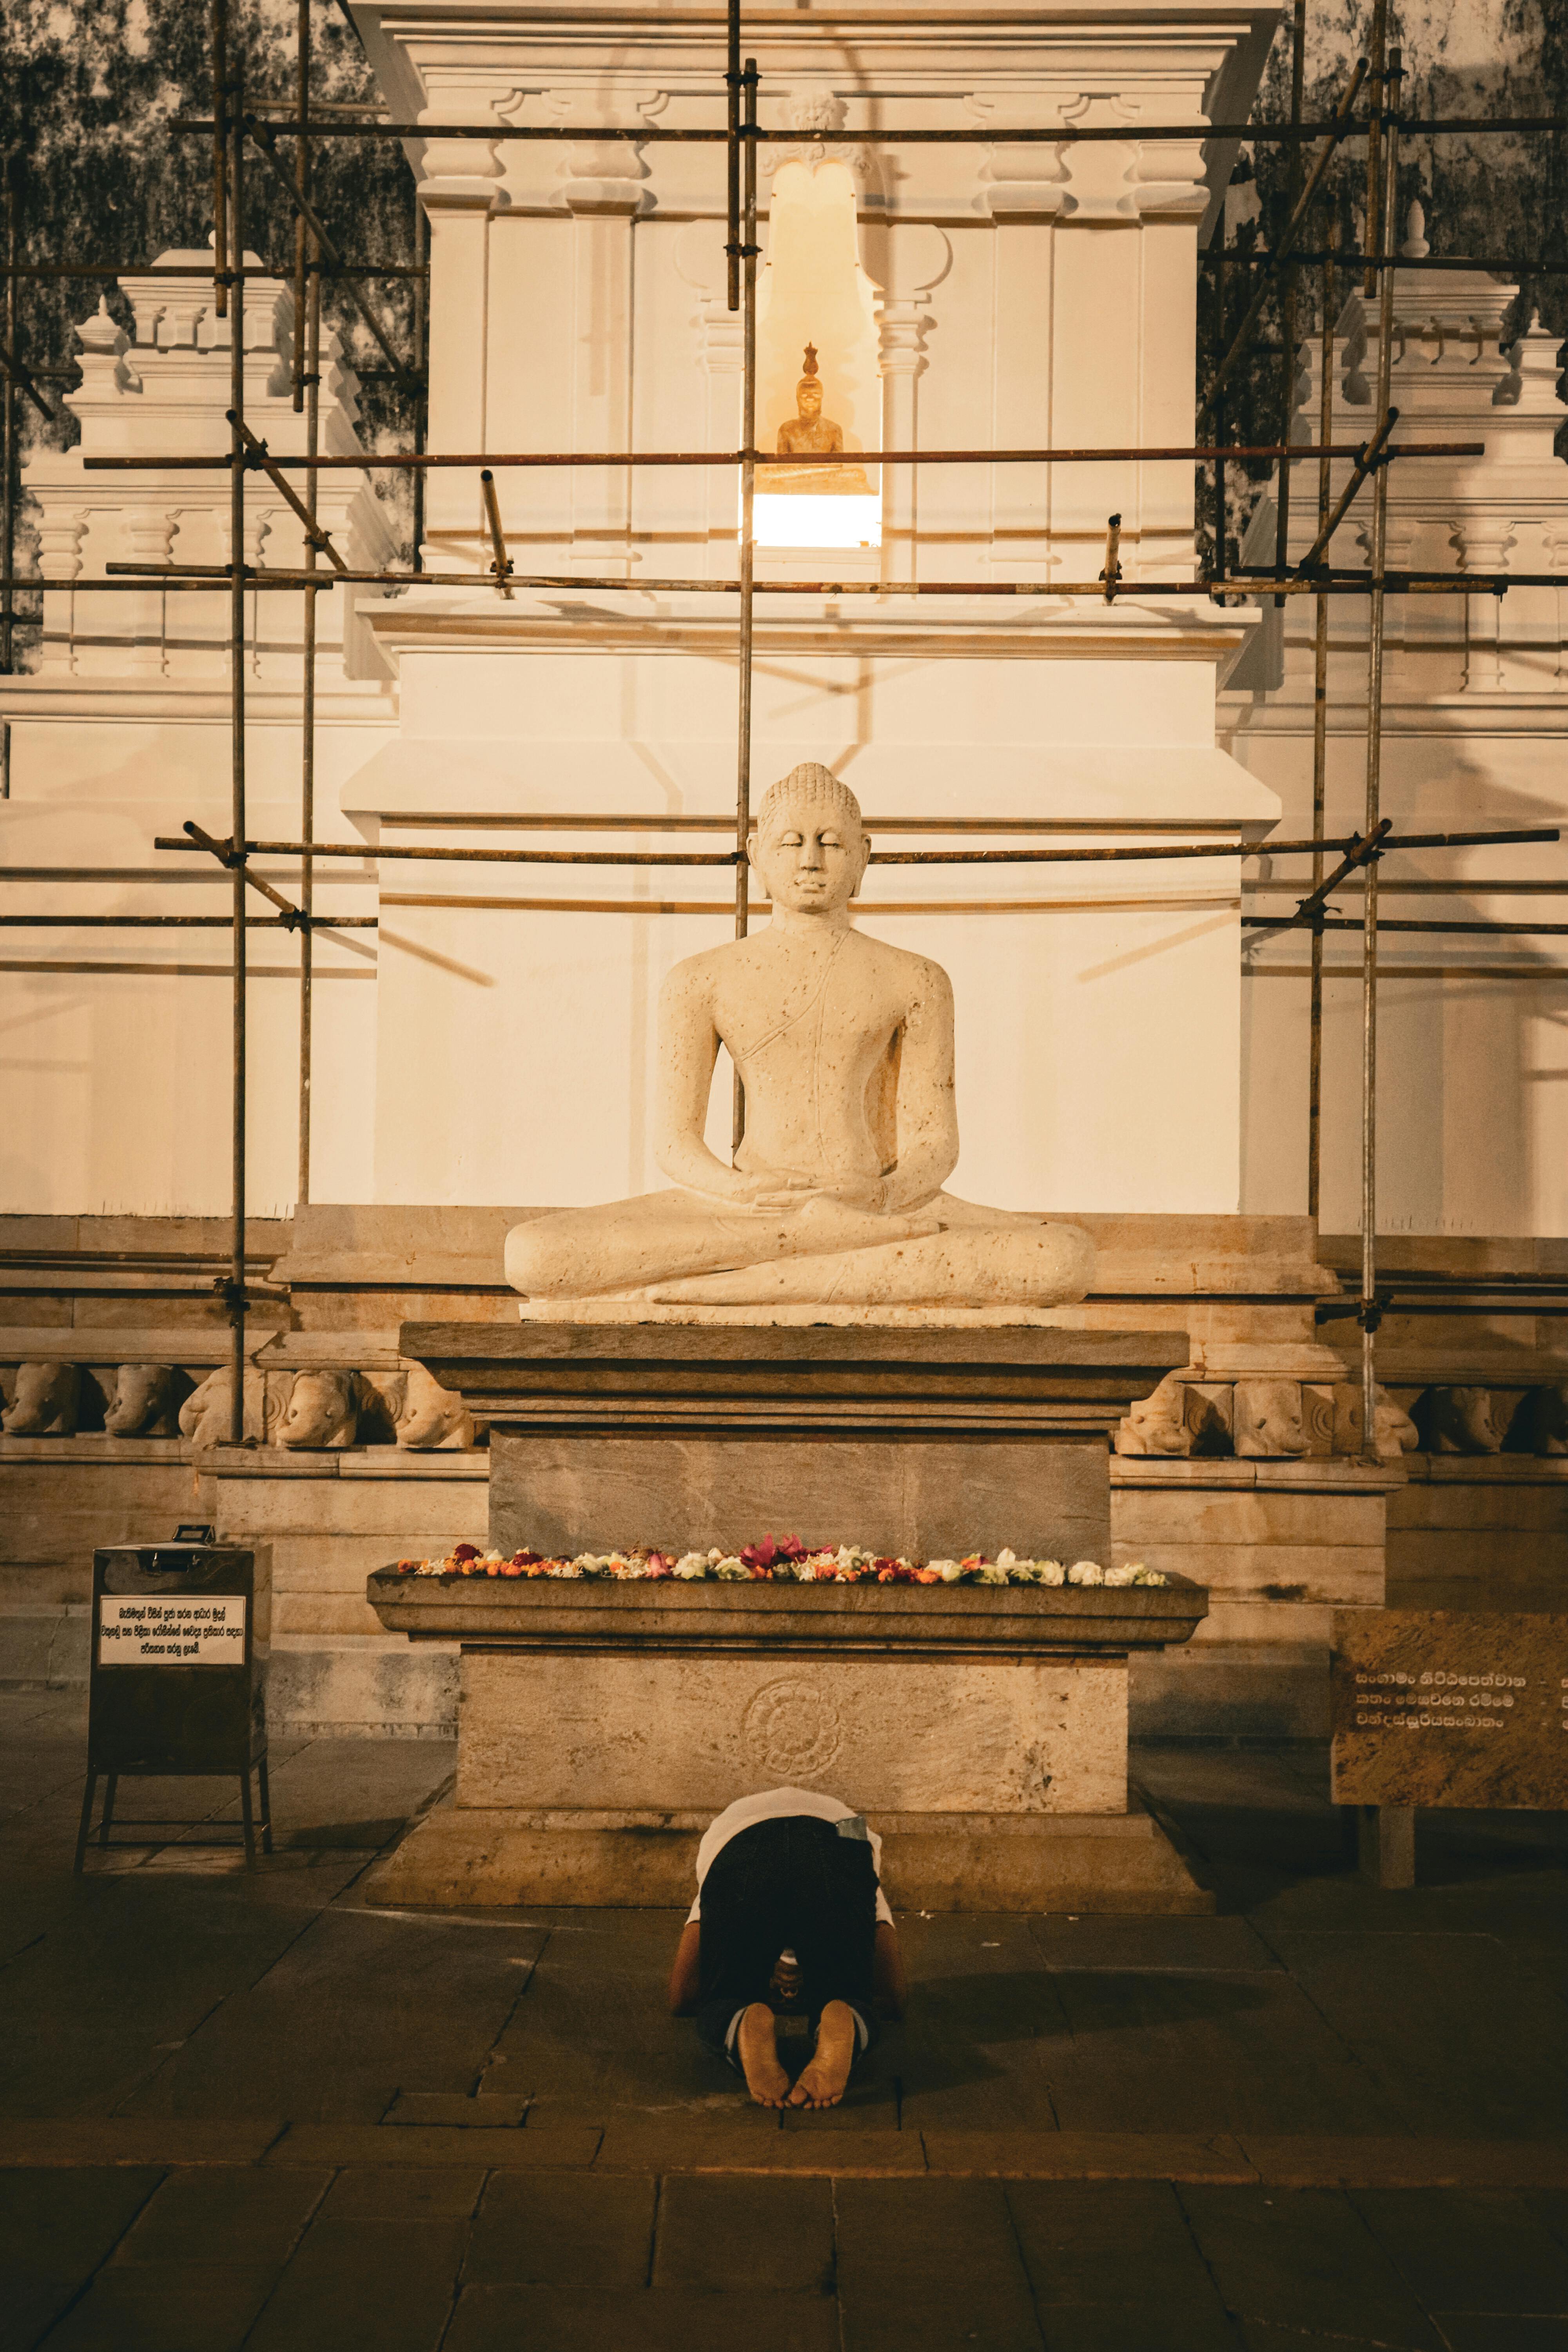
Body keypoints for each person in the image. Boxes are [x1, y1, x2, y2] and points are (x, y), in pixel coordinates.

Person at [504, 764, 1094, 1310]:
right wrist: (746, 1194)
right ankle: (814, 1255)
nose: (811, 860)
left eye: (831, 843)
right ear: (758, 859)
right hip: (753, 1210)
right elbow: (675, 1144)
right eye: (791, 842)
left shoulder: (915, 979)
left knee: (1062, 1260)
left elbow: (934, 1145)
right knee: (535, 1256)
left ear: (863, 860)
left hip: (876, 1206)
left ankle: (740, 1283)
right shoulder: (701, 979)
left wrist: (879, 1198)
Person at [666, 1786, 908, 2109]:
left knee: (723, 1999)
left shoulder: (725, 1842)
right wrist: (835, 1996)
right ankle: (845, 2014)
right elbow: (893, 1994)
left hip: (742, 1840)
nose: (790, 1998)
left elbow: (682, 1994)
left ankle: (740, 2021)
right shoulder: (855, 1833)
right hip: (840, 1836)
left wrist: (732, 1992)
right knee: (851, 1994)